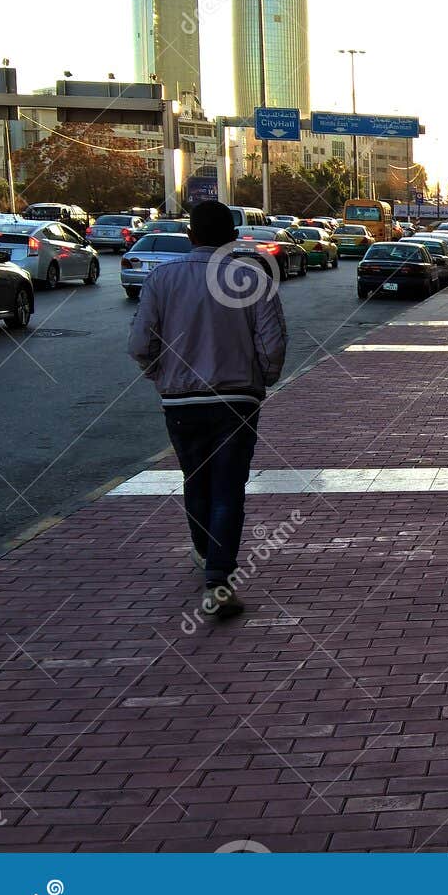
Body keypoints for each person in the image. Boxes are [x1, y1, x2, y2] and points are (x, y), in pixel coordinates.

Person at [128, 201, 287, 617]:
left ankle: (206, 554)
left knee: (195, 480)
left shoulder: (162, 278)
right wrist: (261, 380)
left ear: (191, 236)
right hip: (237, 400)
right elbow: (272, 345)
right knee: (228, 490)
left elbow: (141, 344)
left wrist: (161, 376)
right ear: (233, 237)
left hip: (181, 402)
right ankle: (218, 578)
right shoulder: (253, 278)